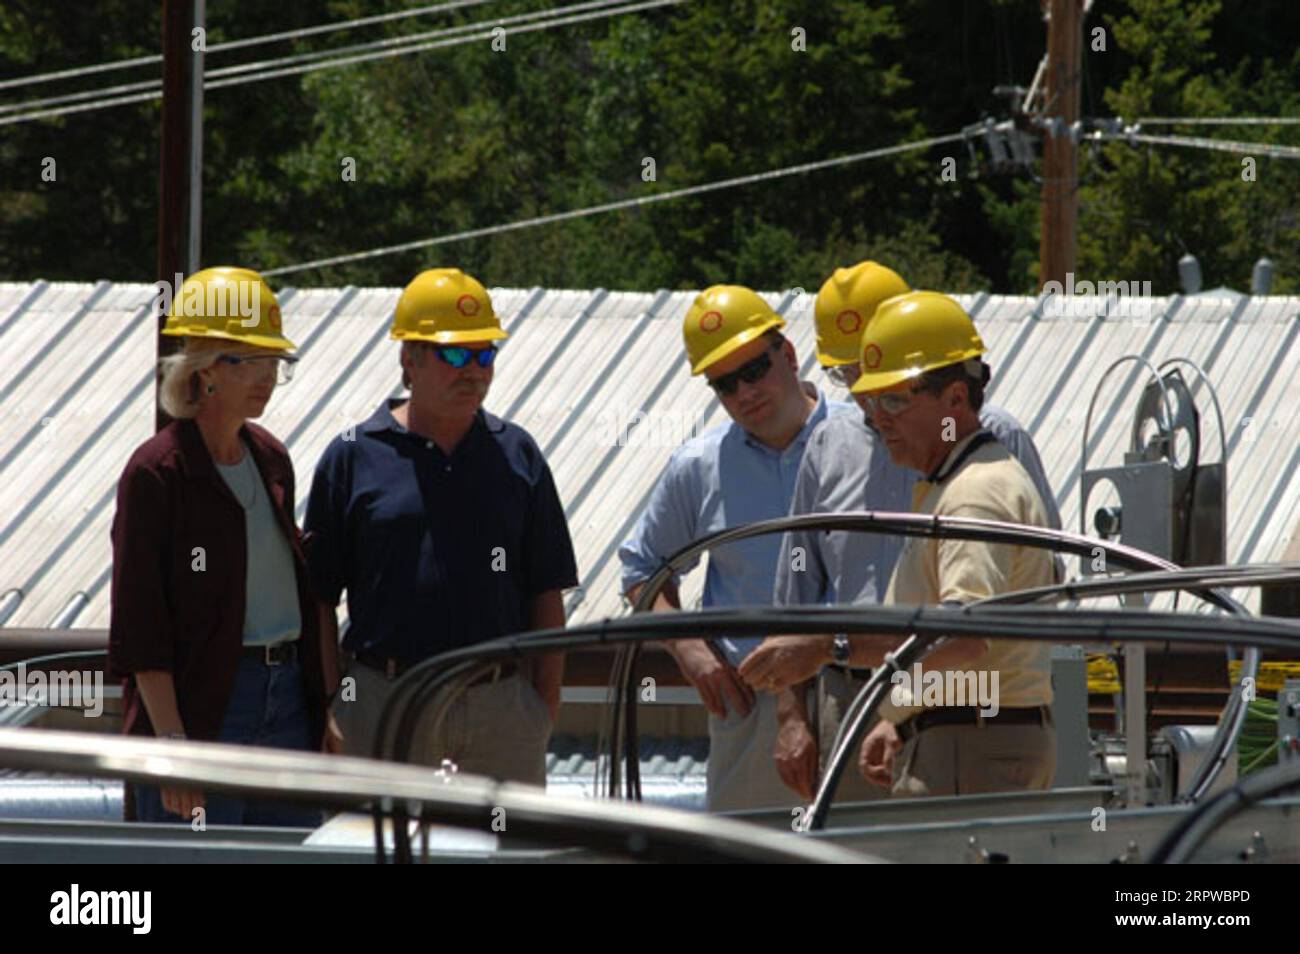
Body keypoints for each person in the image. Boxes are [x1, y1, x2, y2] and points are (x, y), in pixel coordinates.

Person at [741, 291, 1057, 797]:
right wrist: (901, 717)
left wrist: (828, 646)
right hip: (965, 737)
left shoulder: (974, 494)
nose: (877, 417)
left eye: (894, 399)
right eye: (869, 400)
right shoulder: (955, 483)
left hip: (968, 747)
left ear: (955, 399)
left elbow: (964, 638)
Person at [303, 268, 578, 785]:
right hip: (384, 702)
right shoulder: (351, 456)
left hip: (501, 707)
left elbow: (547, 588)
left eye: (485, 353)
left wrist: (541, 707)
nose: (473, 370)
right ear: (410, 359)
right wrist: (334, 703)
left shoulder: (518, 454)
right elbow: (318, 596)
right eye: (455, 354)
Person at [108, 266, 337, 826]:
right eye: (249, 360)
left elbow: (306, 596)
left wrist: (327, 709)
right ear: (204, 367)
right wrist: (174, 746)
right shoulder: (156, 473)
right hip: (203, 710)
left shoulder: (271, 458)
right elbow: (142, 629)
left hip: (287, 703)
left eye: (275, 362)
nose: (267, 376)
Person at [618, 284, 855, 810]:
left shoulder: (865, 440)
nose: (744, 393)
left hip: (858, 686)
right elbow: (641, 568)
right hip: (754, 706)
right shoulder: (698, 467)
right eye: (724, 385)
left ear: (789, 355)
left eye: (753, 370)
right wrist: (692, 653)